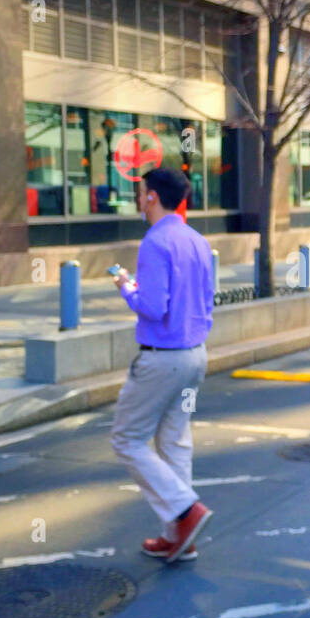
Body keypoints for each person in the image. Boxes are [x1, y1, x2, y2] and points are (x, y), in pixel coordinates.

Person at [110, 166, 215, 564]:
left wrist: (127, 288)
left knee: (127, 438)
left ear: (152, 196)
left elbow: (153, 308)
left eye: (140, 193)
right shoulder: (197, 240)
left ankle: (185, 511)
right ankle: (179, 537)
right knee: (174, 441)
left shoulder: (154, 243)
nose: (138, 199)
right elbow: (205, 301)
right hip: (195, 357)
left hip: (162, 360)